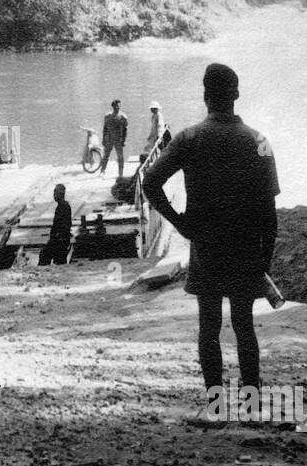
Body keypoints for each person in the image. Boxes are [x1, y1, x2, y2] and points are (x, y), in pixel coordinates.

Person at [141, 63, 279, 404]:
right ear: (236, 95)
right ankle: (250, 401)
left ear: (205, 97)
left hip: (207, 244)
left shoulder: (190, 138)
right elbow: (268, 211)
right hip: (246, 246)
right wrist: (265, 257)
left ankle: (216, 404)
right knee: (244, 325)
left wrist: (179, 222)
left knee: (209, 327)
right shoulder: (258, 141)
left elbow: (150, 183)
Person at [39, 184, 72, 266]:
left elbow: (63, 225)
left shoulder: (63, 207)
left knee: (46, 254)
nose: (54, 196)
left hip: (60, 239)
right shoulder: (62, 206)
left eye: (55, 193)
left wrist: (56, 237)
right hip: (60, 238)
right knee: (57, 259)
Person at [99, 99, 128, 177]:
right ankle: (102, 171)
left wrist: (124, 140)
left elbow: (125, 129)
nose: (118, 107)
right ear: (113, 106)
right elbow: (105, 128)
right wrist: (103, 139)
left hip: (118, 139)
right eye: (116, 106)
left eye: (119, 106)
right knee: (106, 155)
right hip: (109, 138)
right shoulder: (108, 116)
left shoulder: (123, 117)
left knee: (120, 157)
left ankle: (120, 173)